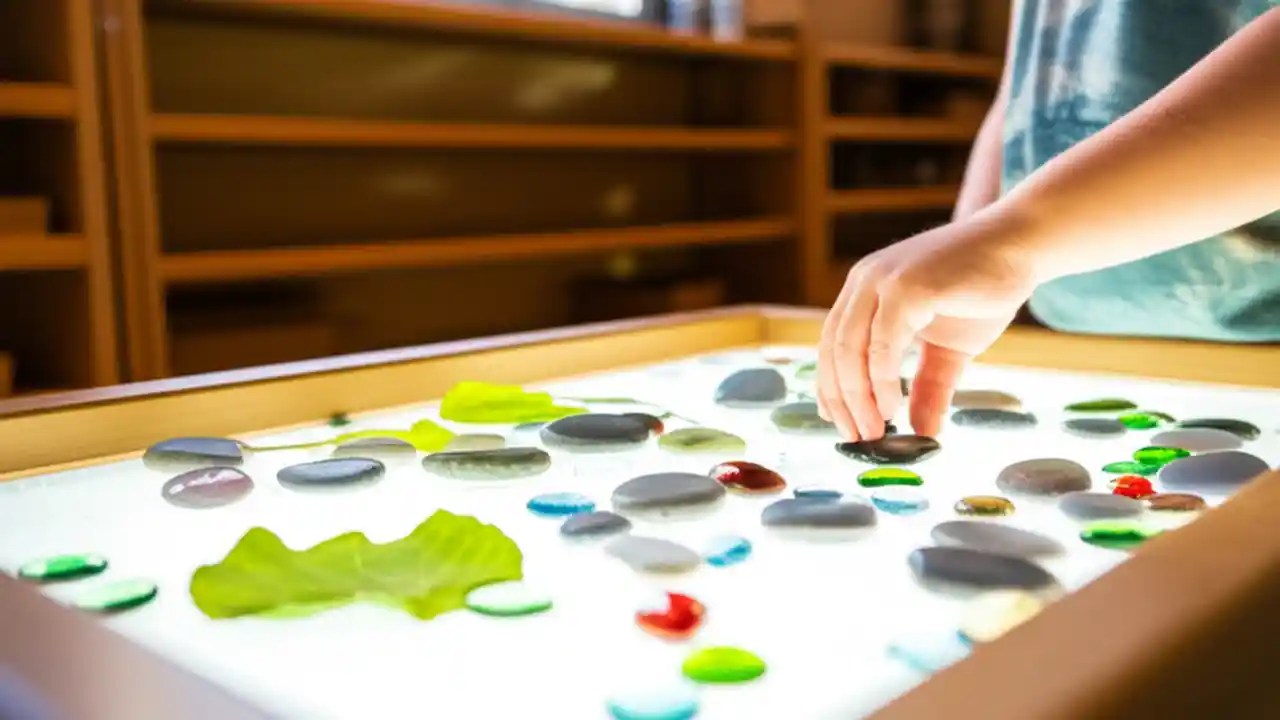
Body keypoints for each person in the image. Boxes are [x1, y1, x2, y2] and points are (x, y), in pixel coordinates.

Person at [817, 1, 1280, 443]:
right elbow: (1027, 84)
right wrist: (976, 234)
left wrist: (1015, 238)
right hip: (1074, 340)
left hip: (1261, 344)